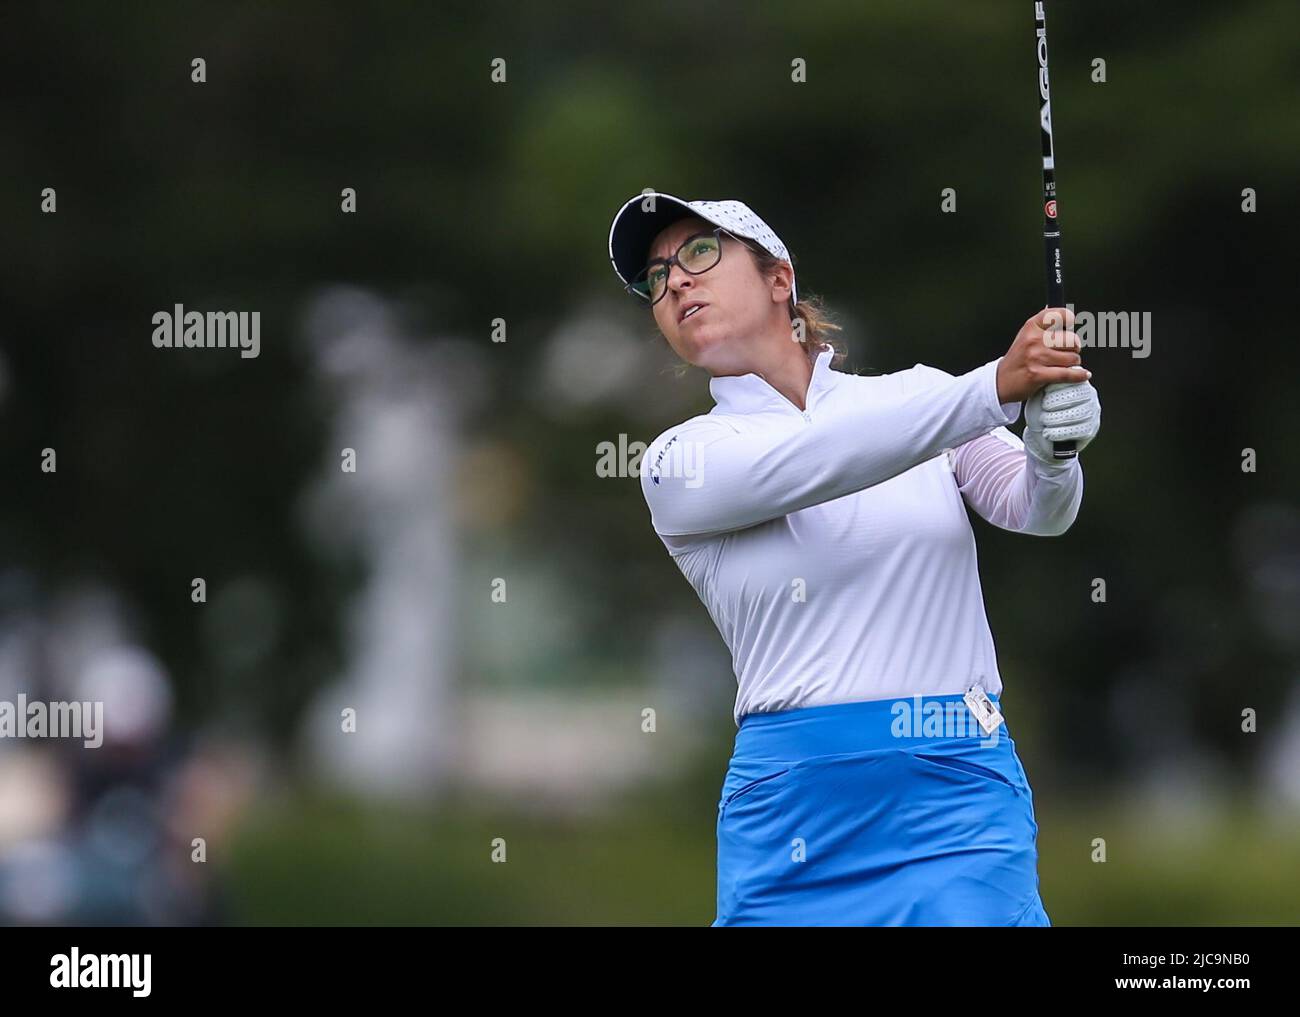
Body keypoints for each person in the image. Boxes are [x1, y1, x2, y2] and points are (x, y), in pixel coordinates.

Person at [607, 191, 1101, 926]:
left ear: (780, 280)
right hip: (790, 807)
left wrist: (1054, 449)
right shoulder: (678, 460)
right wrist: (996, 385)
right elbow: (823, 458)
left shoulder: (921, 399)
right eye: (655, 276)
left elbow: (1036, 508)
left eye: (700, 253)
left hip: (954, 788)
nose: (674, 281)